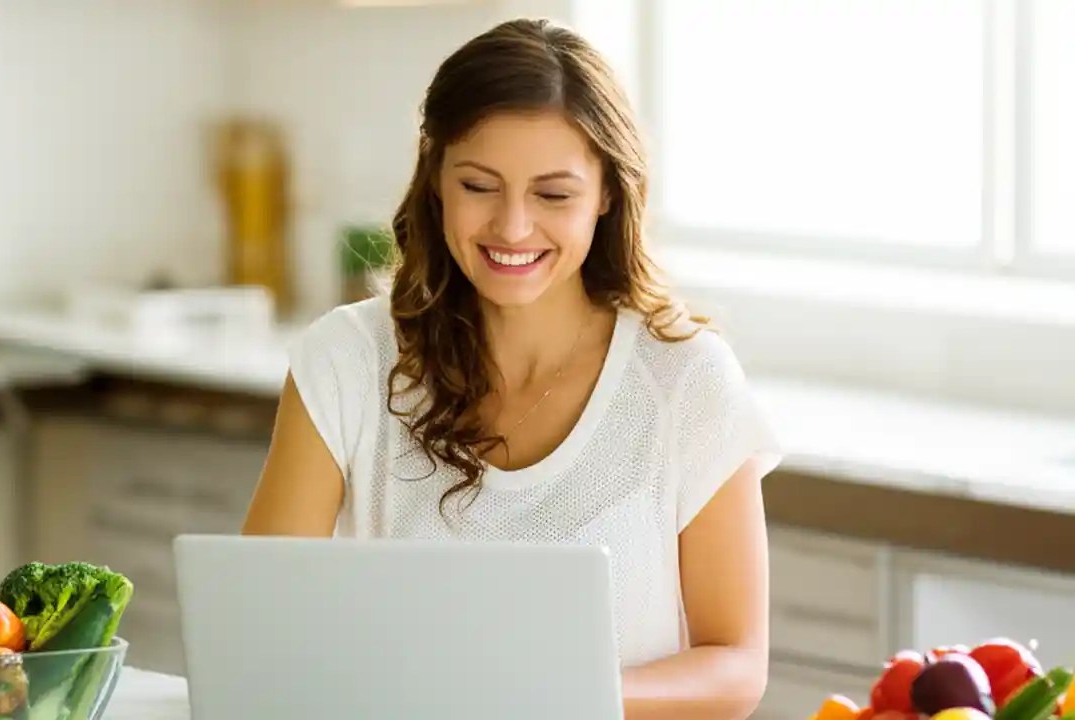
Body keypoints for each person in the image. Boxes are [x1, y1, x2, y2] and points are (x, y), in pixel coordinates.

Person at [242, 17, 783, 720]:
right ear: (436, 181)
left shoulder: (686, 379)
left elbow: (736, 667)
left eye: (553, 195)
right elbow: (257, 624)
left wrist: (553, 697)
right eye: (480, 186)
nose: (513, 228)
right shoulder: (346, 361)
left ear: (608, 194)